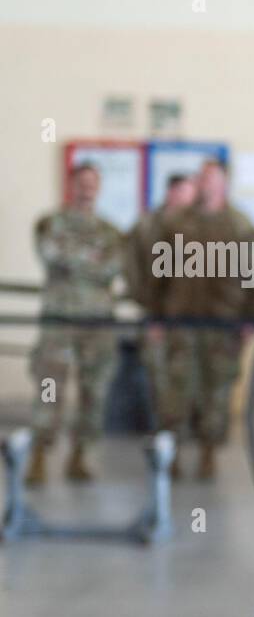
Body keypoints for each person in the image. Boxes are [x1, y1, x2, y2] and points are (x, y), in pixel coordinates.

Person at [154, 158, 254, 480]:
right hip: (181, 322)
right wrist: (156, 315)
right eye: (204, 178)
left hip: (222, 325)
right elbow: (160, 274)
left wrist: (250, 318)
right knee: (177, 390)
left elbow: (253, 277)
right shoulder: (177, 223)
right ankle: (172, 453)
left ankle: (208, 453)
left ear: (224, 183)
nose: (208, 184)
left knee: (217, 390)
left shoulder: (240, 225)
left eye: (214, 179)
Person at [25, 163, 125, 485]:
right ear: (71, 185)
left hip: (97, 323)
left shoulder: (110, 231)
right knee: (49, 389)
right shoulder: (50, 223)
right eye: (82, 182)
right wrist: (90, 259)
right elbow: (51, 254)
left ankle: (82, 455)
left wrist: (76, 257)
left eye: (93, 183)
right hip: (59, 320)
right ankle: (39, 453)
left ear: (99, 188)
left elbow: (112, 268)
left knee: (93, 390)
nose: (87, 189)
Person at [126, 172, 196, 424]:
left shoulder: (199, 226)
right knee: (157, 374)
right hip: (154, 314)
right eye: (182, 193)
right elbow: (132, 269)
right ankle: (161, 428)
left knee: (187, 376)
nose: (187, 200)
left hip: (192, 317)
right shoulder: (146, 226)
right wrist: (148, 307)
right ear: (171, 193)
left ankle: (184, 429)